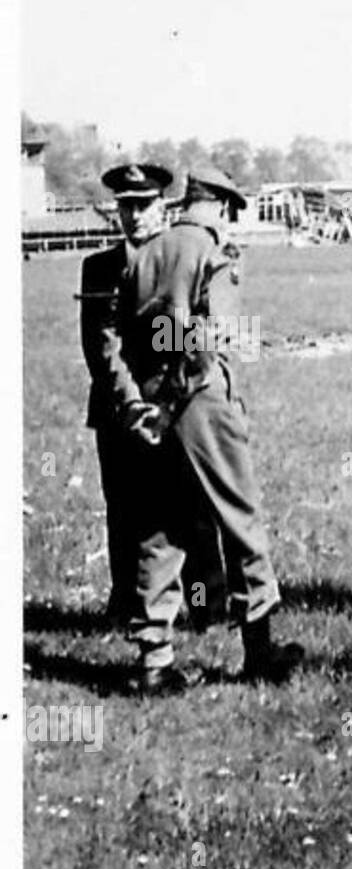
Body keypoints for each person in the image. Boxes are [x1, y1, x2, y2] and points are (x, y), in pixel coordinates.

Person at [116, 166, 303, 691]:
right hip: (198, 400)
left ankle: (154, 658)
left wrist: (147, 402)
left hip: (152, 406)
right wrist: (187, 379)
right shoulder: (214, 253)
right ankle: (260, 651)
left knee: (160, 529)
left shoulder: (146, 254)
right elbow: (214, 332)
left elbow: (131, 336)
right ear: (219, 207)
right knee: (239, 516)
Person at [77, 163, 226, 628]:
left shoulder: (185, 258)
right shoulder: (100, 267)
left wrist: (174, 394)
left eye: (144, 205)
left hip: (179, 406)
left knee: (195, 516)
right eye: (126, 206)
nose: (135, 215)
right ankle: (129, 608)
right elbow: (102, 347)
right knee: (125, 512)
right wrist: (133, 405)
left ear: (164, 207)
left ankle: (204, 606)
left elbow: (203, 334)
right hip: (121, 411)